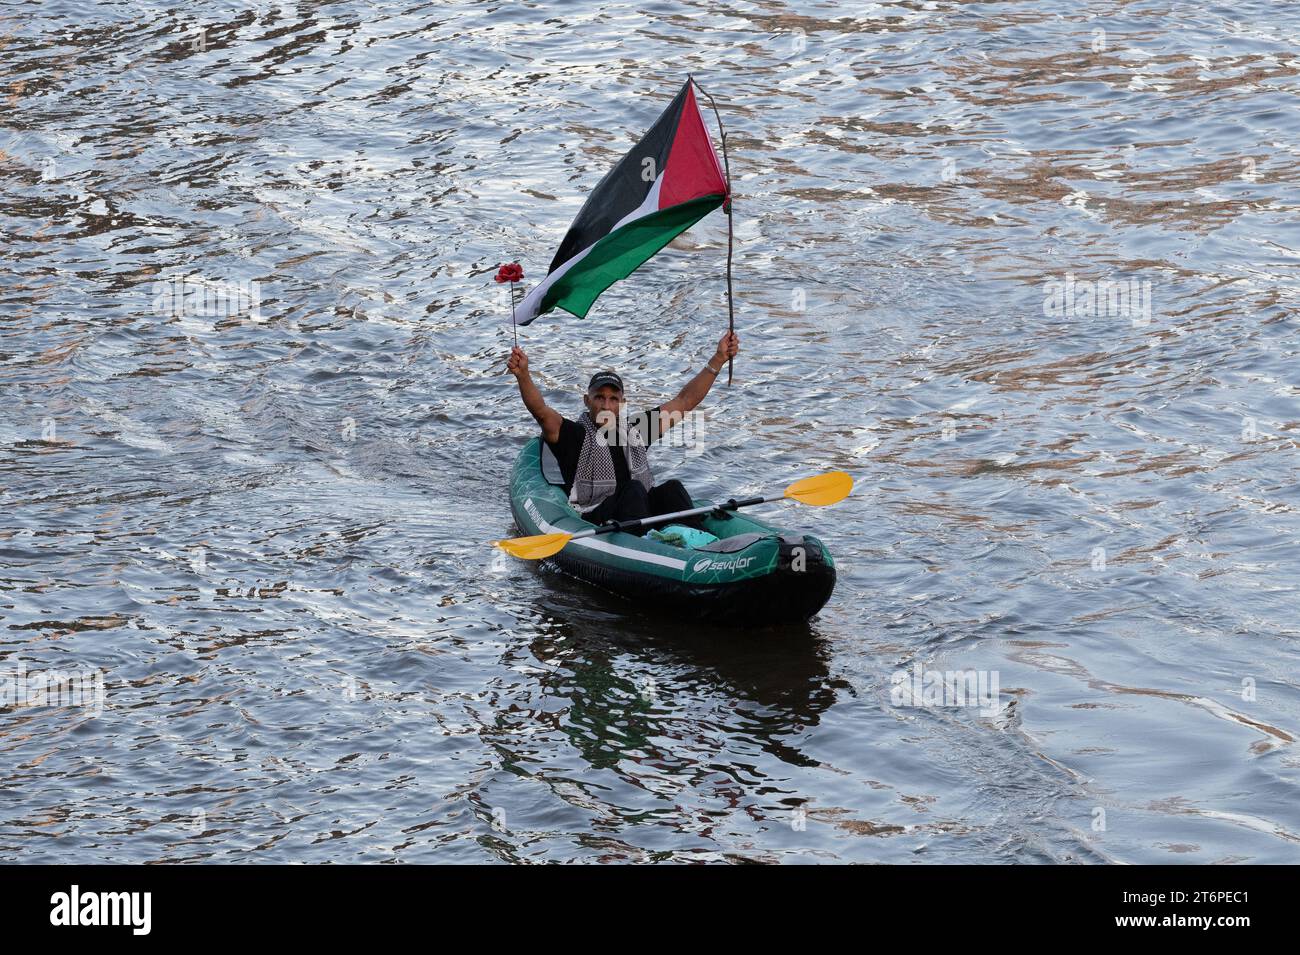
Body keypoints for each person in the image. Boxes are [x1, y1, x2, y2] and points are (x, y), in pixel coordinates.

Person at [506, 331, 740, 530]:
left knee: (672, 489)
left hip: (640, 509)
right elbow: (541, 411)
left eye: (613, 399)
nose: (606, 405)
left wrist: (718, 359)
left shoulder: (635, 431)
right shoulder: (573, 435)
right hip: (598, 514)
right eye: (599, 397)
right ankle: (642, 548)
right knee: (635, 490)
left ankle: (697, 540)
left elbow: (685, 401)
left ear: (621, 402)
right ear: (587, 401)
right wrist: (523, 375)